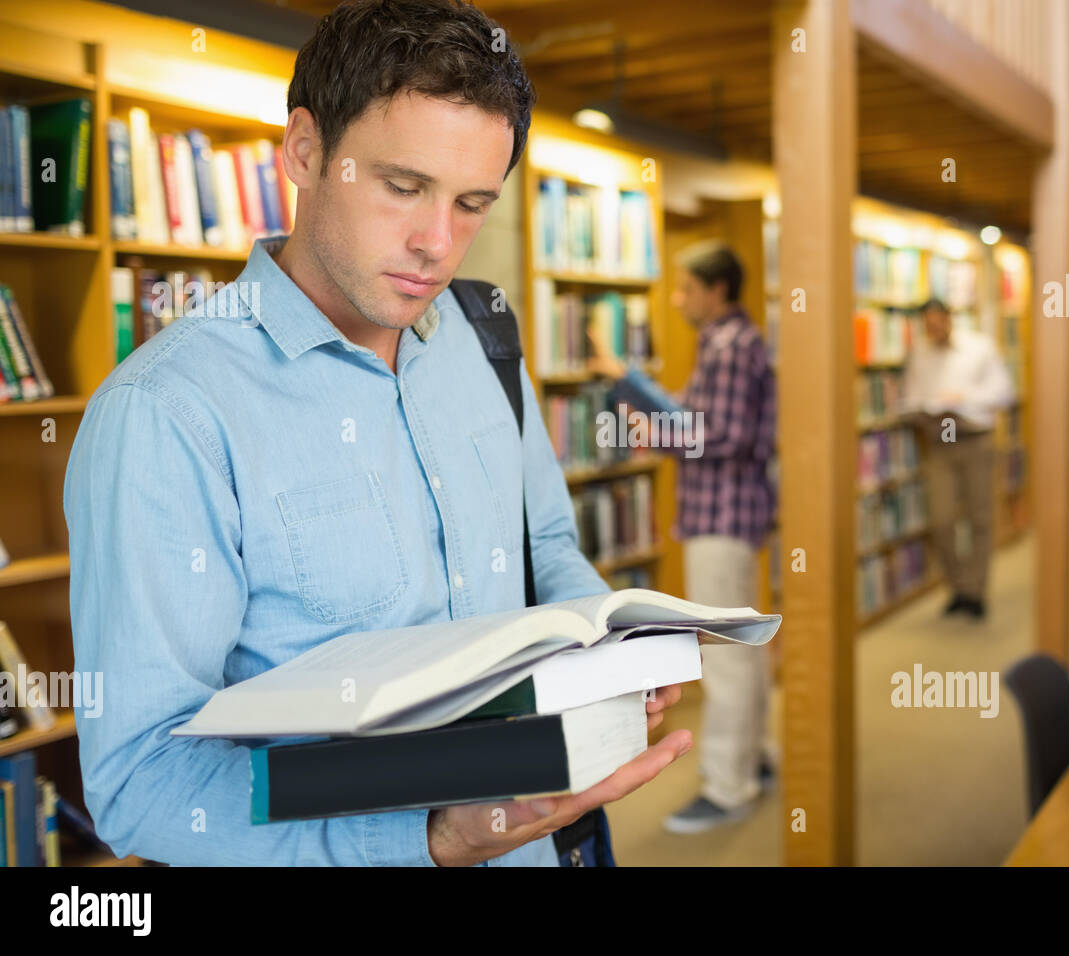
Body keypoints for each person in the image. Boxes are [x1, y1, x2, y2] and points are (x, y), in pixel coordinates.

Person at [63, 0, 690, 867]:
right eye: (402, 187)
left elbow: (543, 543)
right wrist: (423, 837)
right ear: (305, 151)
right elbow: (142, 781)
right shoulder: (168, 413)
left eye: (473, 203)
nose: (438, 244)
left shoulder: (484, 337)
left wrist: (607, 652)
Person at [587, 240, 777, 834]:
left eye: (687, 288)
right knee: (742, 649)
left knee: (723, 658)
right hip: (727, 514)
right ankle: (755, 757)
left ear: (716, 290)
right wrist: (645, 400)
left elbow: (715, 436)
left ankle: (728, 785)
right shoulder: (734, 342)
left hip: (722, 517)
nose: (677, 298)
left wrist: (645, 412)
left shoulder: (727, 346)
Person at [900, 298, 1015, 619]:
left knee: (980, 518)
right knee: (942, 520)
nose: (934, 330)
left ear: (949, 319)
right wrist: (922, 406)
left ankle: (975, 593)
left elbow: (1005, 392)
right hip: (940, 442)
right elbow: (910, 396)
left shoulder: (980, 347)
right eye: (928, 325)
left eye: (939, 322)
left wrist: (962, 399)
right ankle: (958, 587)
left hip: (974, 439)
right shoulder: (920, 354)